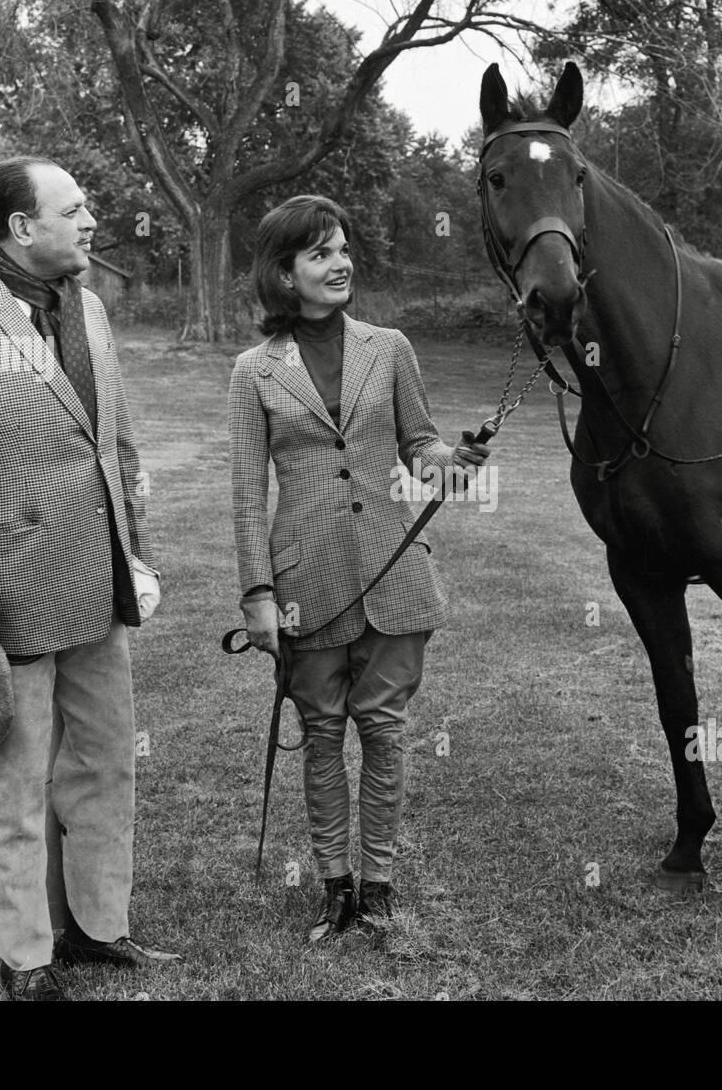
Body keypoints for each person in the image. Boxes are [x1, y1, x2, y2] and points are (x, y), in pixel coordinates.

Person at [0, 156, 179, 1001]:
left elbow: (115, 444)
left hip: (101, 589)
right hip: (7, 604)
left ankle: (99, 929)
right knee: (13, 791)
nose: (92, 220)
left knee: (104, 764)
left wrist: (138, 554)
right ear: (23, 227)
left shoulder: (87, 308)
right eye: (75, 208)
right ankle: (26, 958)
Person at [228, 195, 490, 943]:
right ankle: (332, 887)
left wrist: (455, 462)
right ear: (284, 274)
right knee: (320, 733)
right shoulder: (253, 371)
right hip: (305, 584)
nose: (339, 263)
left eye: (342, 248)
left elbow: (422, 448)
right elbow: (248, 494)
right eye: (319, 253)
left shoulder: (390, 347)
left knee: (385, 731)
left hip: (395, 569)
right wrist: (257, 595)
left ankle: (375, 887)